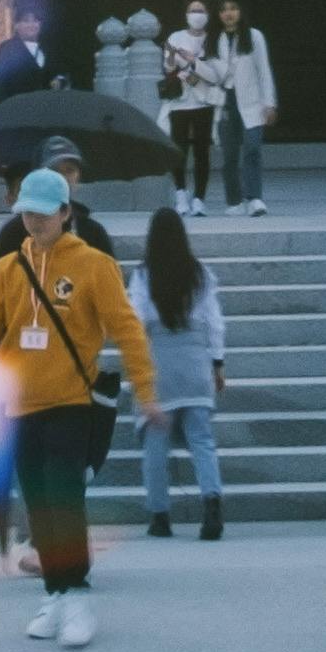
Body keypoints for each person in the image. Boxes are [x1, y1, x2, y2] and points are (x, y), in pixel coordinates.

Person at [0, 165, 144, 644]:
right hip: (20, 407)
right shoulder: (10, 267)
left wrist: (148, 388)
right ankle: (55, 594)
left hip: (71, 404)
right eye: (26, 213)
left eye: (42, 213)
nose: (33, 222)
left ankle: (77, 598)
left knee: (65, 500)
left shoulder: (95, 265)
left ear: (65, 212)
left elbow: (127, 329)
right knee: (38, 505)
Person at [133, 202, 226, 542]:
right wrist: (217, 363)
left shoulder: (143, 275)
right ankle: (212, 504)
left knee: (156, 445)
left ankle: (160, 516)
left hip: (160, 364)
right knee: (202, 440)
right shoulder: (200, 274)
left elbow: (136, 320)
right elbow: (214, 322)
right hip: (196, 362)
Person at [209, 3, 279, 206]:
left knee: (253, 149)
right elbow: (211, 73)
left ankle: (254, 198)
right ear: (219, 15)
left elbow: (264, 70)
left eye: (233, 9)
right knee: (230, 155)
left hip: (252, 101)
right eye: (223, 10)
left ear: (240, 12)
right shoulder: (214, 38)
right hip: (226, 101)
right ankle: (234, 201)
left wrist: (270, 103)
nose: (229, 14)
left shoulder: (254, 35)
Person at [161, 0, 222, 203]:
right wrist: (171, 58)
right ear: (186, 15)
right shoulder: (176, 37)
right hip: (180, 101)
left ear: (207, 14)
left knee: (201, 151)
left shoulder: (213, 40)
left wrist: (192, 61)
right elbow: (169, 68)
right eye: (192, 10)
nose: (196, 14)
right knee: (179, 149)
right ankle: (180, 193)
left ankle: (199, 198)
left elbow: (215, 76)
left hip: (204, 101)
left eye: (201, 10)